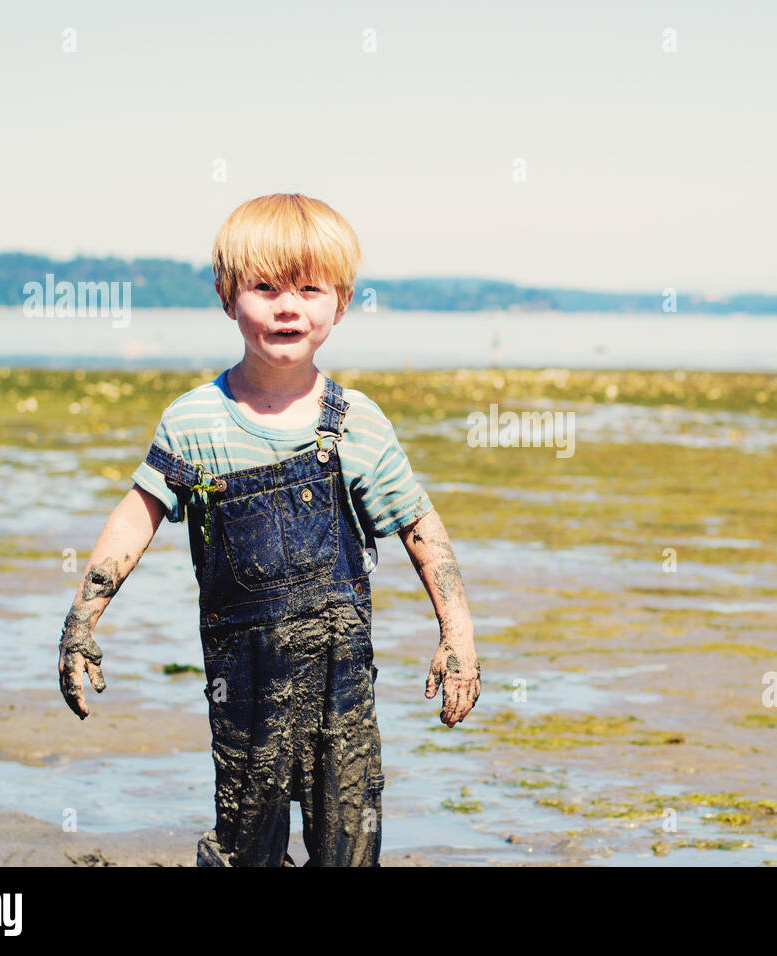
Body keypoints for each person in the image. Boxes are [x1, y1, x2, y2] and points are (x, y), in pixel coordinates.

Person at [55, 193, 481, 866]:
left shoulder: (356, 424)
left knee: (349, 846)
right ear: (228, 297)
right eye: (265, 287)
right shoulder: (196, 422)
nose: (289, 306)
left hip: (342, 685)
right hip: (243, 684)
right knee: (246, 846)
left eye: (310, 288)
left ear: (340, 304)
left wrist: (457, 637)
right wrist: (82, 621)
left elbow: (420, 528)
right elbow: (138, 516)